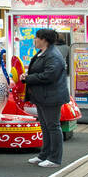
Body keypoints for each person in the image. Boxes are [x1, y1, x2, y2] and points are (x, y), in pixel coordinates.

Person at [23, 28, 70, 169]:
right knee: (45, 126)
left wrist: (28, 78)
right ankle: (44, 155)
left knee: (53, 126)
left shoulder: (53, 56)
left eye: (37, 38)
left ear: (44, 39)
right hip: (43, 96)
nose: (34, 40)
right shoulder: (43, 53)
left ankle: (55, 158)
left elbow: (49, 76)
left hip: (51, 96)